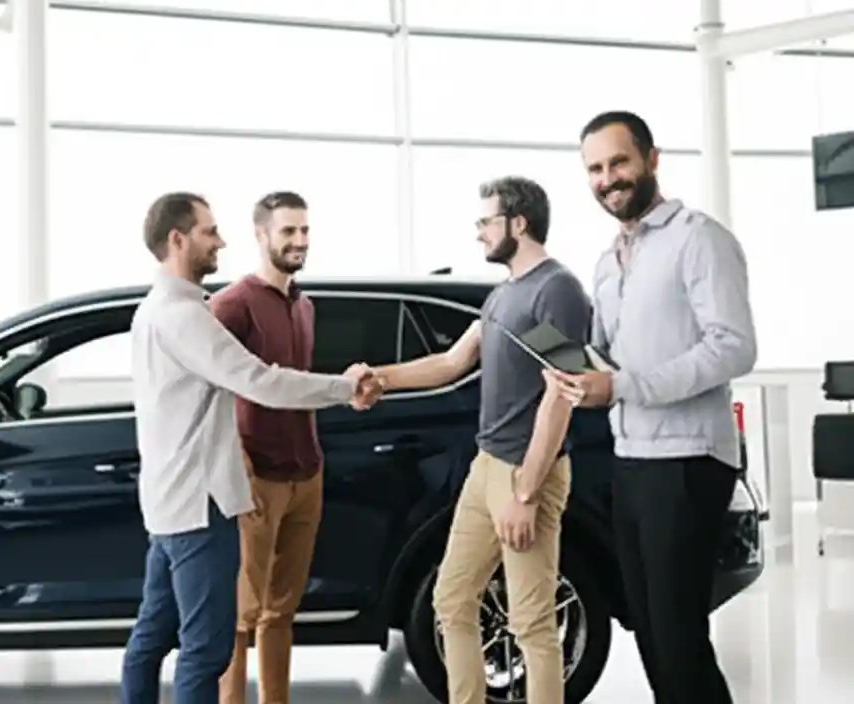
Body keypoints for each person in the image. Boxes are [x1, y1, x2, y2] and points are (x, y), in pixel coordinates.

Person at [120, 191, 380, 704]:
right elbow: (260, 381)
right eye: (209, 231)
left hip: (170, 506)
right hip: (200, 509)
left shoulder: (153, 312)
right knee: (207, 650)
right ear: (178, 239)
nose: (220, 240)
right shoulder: (187, 318)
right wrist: (342, 387)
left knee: (151, 639)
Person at [548, 111, 757, 704]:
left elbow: (734, 346)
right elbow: (610, 355)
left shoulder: (699, 238)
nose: (608, 178)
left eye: (619, 162)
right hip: (632, 459)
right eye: (595, 168)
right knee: (650, 633)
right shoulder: (607, 262)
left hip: (689, 459)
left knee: (678, 634)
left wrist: (622, 387)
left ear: (652, 160)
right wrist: (575, 364)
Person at [373, 176, 591, 704]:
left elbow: (560, 396)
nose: (478, 233)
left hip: (525, 473)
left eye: (485, 221)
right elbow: (452, 362)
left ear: (519, 223)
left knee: (532, 623)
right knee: (451, 600)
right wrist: (380, 378)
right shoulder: (504, 297)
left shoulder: (555, 291)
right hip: (486, 466)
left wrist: (526, 493)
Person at [207, 192, 371, 704]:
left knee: (281, 611)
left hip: (307, 474)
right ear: (261, 236)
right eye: (288, 232)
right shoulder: (231, 305)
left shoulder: (305, 304)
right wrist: (235, 461)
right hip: (256, 476)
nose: (299, 241)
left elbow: (298, 386)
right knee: (240, 613)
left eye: (304, 231)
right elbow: (206, 389)